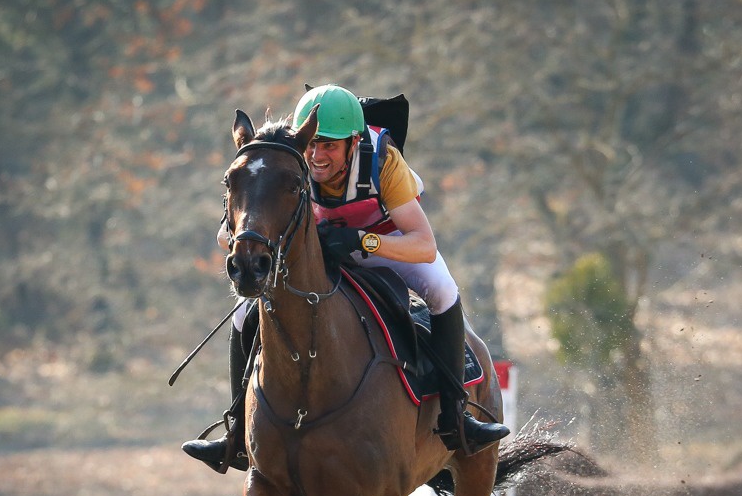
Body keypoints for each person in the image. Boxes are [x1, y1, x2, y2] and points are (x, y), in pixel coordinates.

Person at [183, 84, 509, 473]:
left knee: (442, 291)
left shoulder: (383, 161)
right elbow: (227, 235)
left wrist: (362, 240)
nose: (318, 156)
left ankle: (457, 417)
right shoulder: (285, 159)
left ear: (354, 142)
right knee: (242, 314)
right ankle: (236, 432)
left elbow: (423, 245)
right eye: (314, 144)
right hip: (317, 254)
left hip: (389, 244)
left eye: (331, 146)